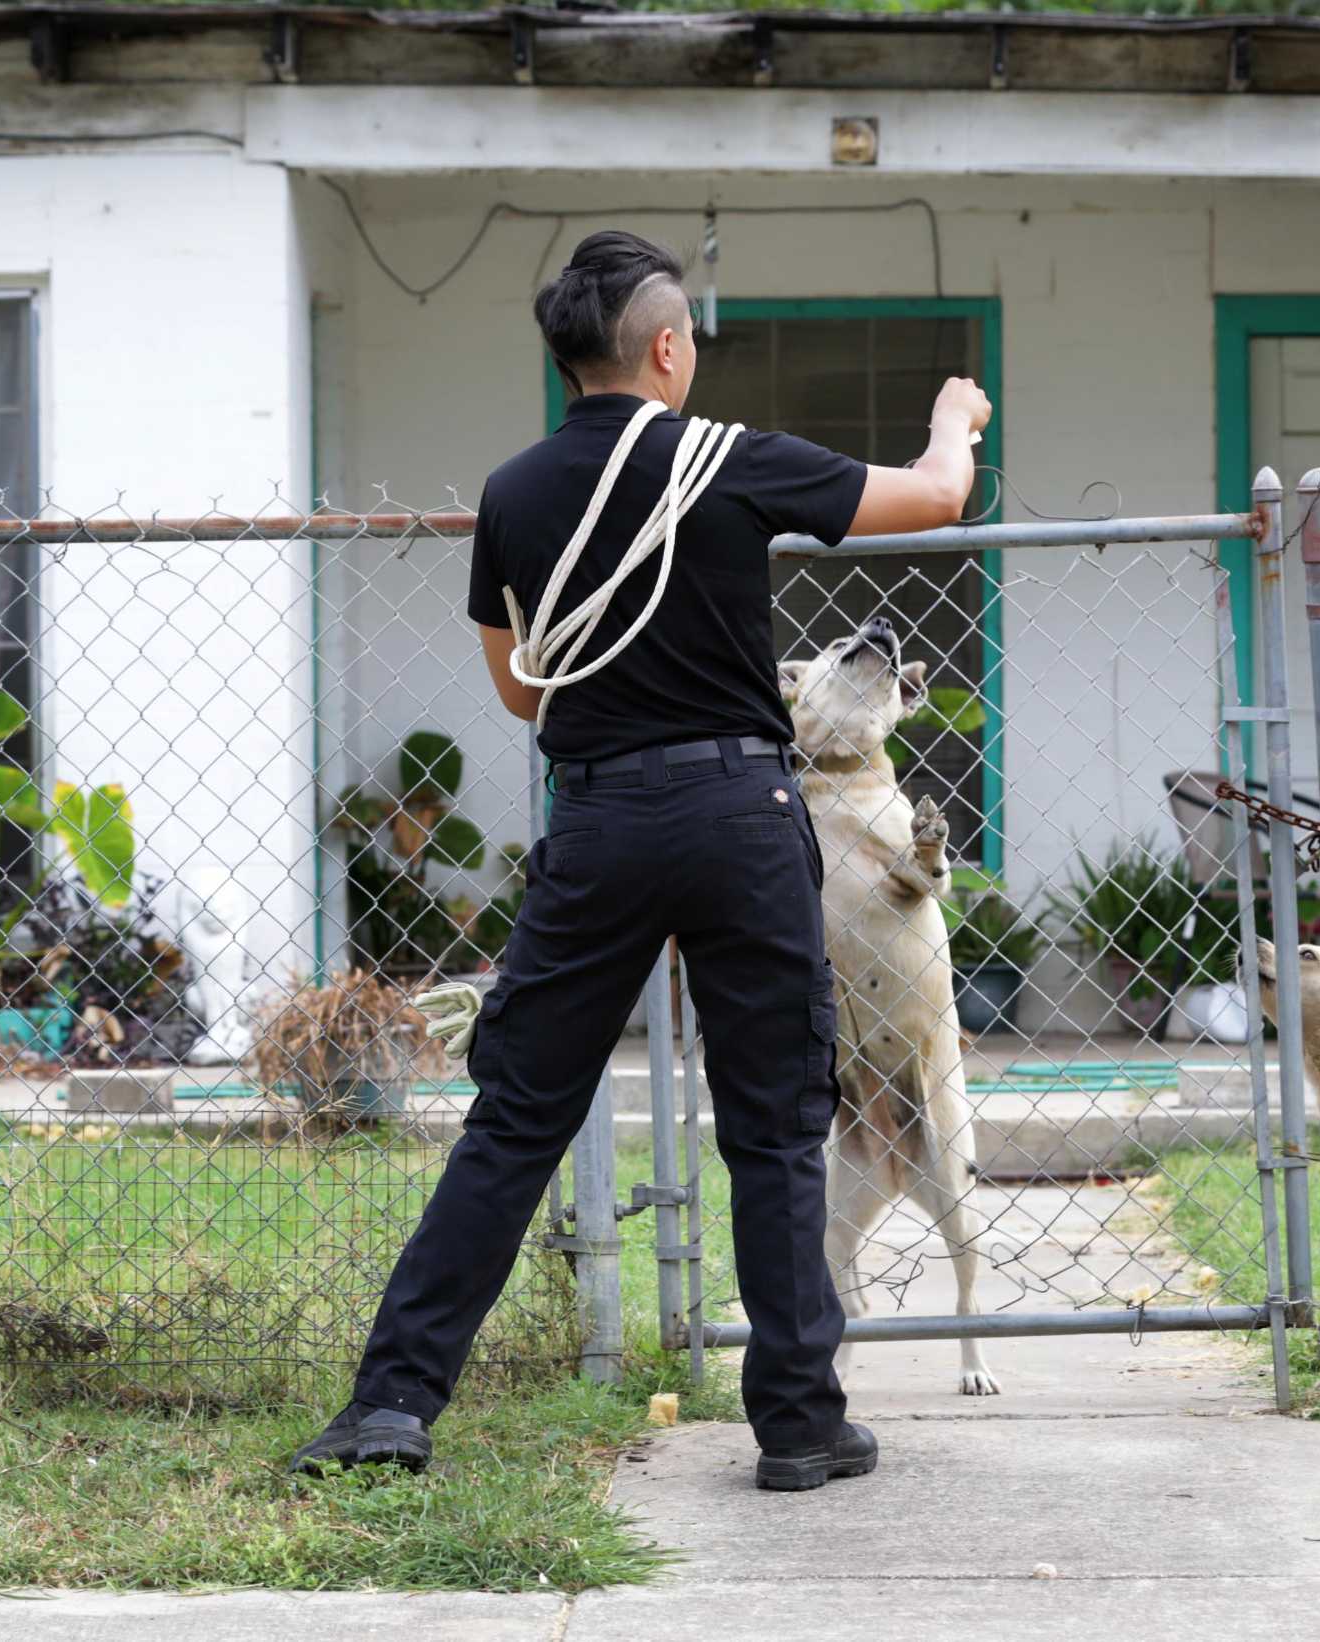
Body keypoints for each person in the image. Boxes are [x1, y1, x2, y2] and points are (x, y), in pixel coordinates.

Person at [290, 230, 992, 1492]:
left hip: (601, 818)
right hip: (739, 810)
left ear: (563, 358)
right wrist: (954, 416)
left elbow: (522, 691)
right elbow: (937, 499)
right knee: (777, 1125)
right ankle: (796, 1424)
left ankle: (390, 1406)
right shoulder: (727, 460)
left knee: (515, 1118)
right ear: (665, 348)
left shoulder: (510, 494)